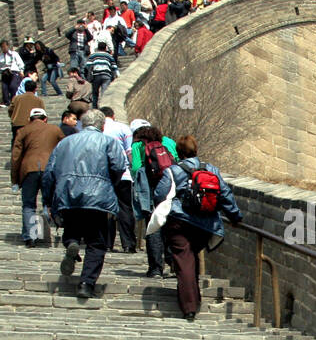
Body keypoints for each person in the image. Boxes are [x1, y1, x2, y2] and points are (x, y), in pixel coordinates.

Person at [41, 109, 132, 299]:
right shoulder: (109, 142)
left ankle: (72, 243)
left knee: (72, 228)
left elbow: (49, 172)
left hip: (68, 194)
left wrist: (48, 200)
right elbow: (118, 167)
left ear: (82, 124)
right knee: (96, 242)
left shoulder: (65, 142)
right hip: (97, 196)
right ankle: (86, 284)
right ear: (102, 125)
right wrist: (109, 185)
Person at [152, 134, 243, 320]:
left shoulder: (172, 171)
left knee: (184, 260)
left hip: (179, 223)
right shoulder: (211, 170)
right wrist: (235, 216)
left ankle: (189, 307)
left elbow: (159, 195)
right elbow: (225, 194)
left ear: (177, 152)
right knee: (190, 257)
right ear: (196, 150)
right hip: (205, 225)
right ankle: (194, 297)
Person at [10, 107, 64, 247]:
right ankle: (46, 214)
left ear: (30, 119)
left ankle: (31, 237)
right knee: (48, 201)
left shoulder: (22, 131)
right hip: (49, 169)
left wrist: (15, 179)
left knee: (29, 205)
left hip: (29, 169)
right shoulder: (55, 130)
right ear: (45, 118)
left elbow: (16, 157)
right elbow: (64, 148)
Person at [130, 120, 178, 278]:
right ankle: (174, 263)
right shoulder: (169, 142)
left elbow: (136, 167)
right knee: (170, 224)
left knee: (153, 226)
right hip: (170, 188)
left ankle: (156, 268)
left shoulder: (138, 146)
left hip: (150, 190)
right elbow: (177, 162)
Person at [99, 107, 136, 253]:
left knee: (104, 209)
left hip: (103, 175)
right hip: (124, 175)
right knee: (125, 208)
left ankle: (107, 243)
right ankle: (128, 244)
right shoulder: (123, 128)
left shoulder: (98, 130)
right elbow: (129, 152)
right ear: (113, 116)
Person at [7, 77, 44, 152]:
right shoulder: (38, 100)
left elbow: (10, 110)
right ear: (35, 89)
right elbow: (42, 113)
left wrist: (13, 117)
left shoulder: (16, 98)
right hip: (31, 124)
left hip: (17, 123)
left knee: (16, 141)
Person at [85, 41, 118, 108]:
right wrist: (116, 76)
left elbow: (87, 66)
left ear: (98, 48)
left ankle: (94, 107)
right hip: (106, 75)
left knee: (95, 92)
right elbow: (114, 67)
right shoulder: (109, 56)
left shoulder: (93, 55)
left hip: (96, 75)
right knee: (104, 92)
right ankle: (104, 107)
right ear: (105, 48)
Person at [0, 39, 24, 106]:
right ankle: (7, 102)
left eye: (5, 46)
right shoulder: (0, 58)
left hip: (13, 72)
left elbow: (20, 63)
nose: (4, 48)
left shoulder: (14, 54)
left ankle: (15, 100)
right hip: (5, 74)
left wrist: (21, 71)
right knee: (4, 88)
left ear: (8, 46)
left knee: (13, 86)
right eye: (2, 47)